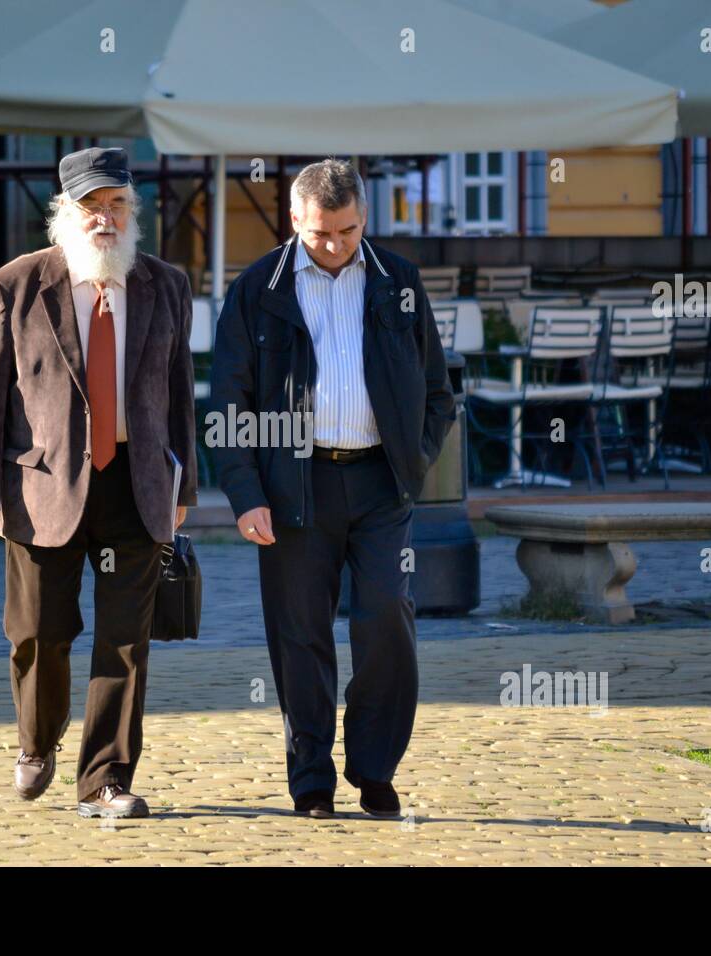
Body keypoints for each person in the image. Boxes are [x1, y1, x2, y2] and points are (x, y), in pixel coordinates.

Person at [0, 146, 196, 819]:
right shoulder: (15, 285)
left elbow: (180, 400)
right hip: (43, 488)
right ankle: (37, 742)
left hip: (137, 485)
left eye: (117, 205)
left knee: (126, 640)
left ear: (132, 212)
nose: (105, 219)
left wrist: (184, 489)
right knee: (38, 632)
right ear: (65, 212)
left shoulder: (166, 286)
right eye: (91, 207)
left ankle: (105, 780)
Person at [209, 158, 456, 819]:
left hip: (380, 484)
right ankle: (311, 780)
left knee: (386, 622)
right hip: (294, 484)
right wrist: (244, 492)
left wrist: (414, 461)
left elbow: (438, 391)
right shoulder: (258, 288)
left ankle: (374, 769)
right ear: (295, 221)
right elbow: (228, 398)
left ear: (364, 218)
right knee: (301, 635)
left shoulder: (398, 282)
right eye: (322, 234)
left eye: (348, 231)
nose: (337, 246)